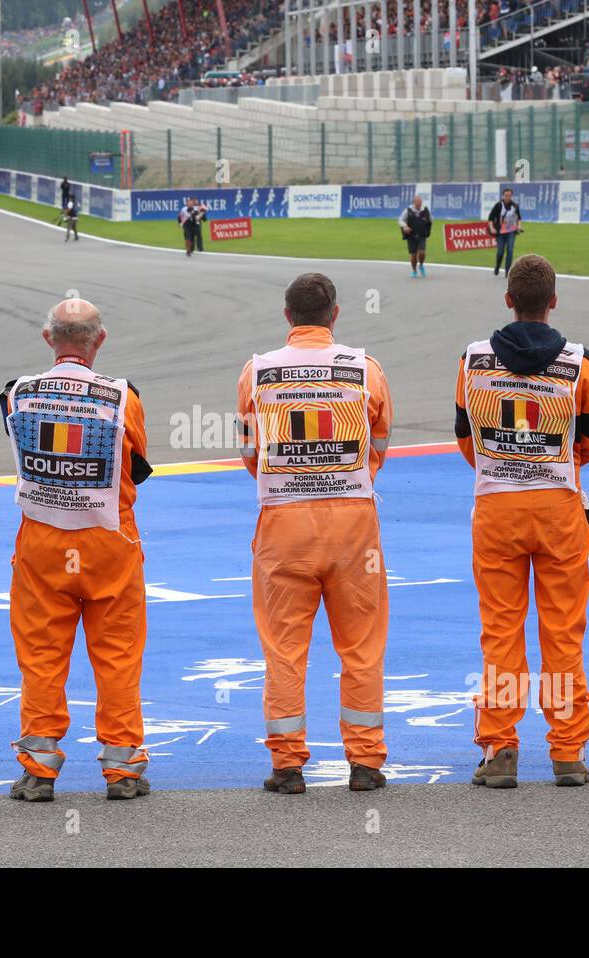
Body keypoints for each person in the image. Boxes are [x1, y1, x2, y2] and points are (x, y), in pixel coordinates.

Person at [236, 273, 394, 795]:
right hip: (353, 524)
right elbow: (379, 444)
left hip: (283, 525)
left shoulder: (255, 372)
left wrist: (291, 478)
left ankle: (287, 766)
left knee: (284, 650)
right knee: (363, 647)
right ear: (335, 314)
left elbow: (249, 454)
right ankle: (366, 762)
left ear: (288, 317)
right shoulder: (366, 370)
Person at [454, 254, 589, 789]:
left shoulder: (471, 359)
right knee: (563, 630)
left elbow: (466, 440)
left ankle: (500, 749)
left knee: (500, 629)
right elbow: (588, 443)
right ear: (553, 302)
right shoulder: (582, 361)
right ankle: (567, 752)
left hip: (496, 505)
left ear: (509, 300)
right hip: (559, 505)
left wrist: (505, 466)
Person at [0, 298, 154, 802]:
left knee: (42, 656)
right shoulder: (123, 396)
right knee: (119, 656)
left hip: (44, 539)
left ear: (49, 339)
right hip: (108, 539)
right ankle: (124, 769)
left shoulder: (17, 393)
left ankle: (39, 770)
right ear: (100, 340)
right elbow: (139, 466)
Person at [487, 187, 523, 277]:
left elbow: (518, 218)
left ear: (511, 196)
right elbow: (490, 218)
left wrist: (519, 226)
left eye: (509, 195)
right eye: (506, 195)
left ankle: (508, 271)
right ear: (503, 196)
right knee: (500, 252)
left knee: (510, 251)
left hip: (511, 231)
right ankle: (497, 266)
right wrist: (491, 228)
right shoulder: (498, 205)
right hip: (500, 233)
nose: (508, 197)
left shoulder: (515, 206)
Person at [398, 194, 433, 278]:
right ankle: (414, 271)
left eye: (420, 202)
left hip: (422, 235)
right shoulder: (408, 210)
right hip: (411, 235)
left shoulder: (425, 210)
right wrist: (405, 226)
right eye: (417, 202)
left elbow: (431, 220)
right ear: (414, 202)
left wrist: (427, 229)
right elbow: (400, 220)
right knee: (413, 255)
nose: (419, 203)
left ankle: (421, 265)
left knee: (422, 252)